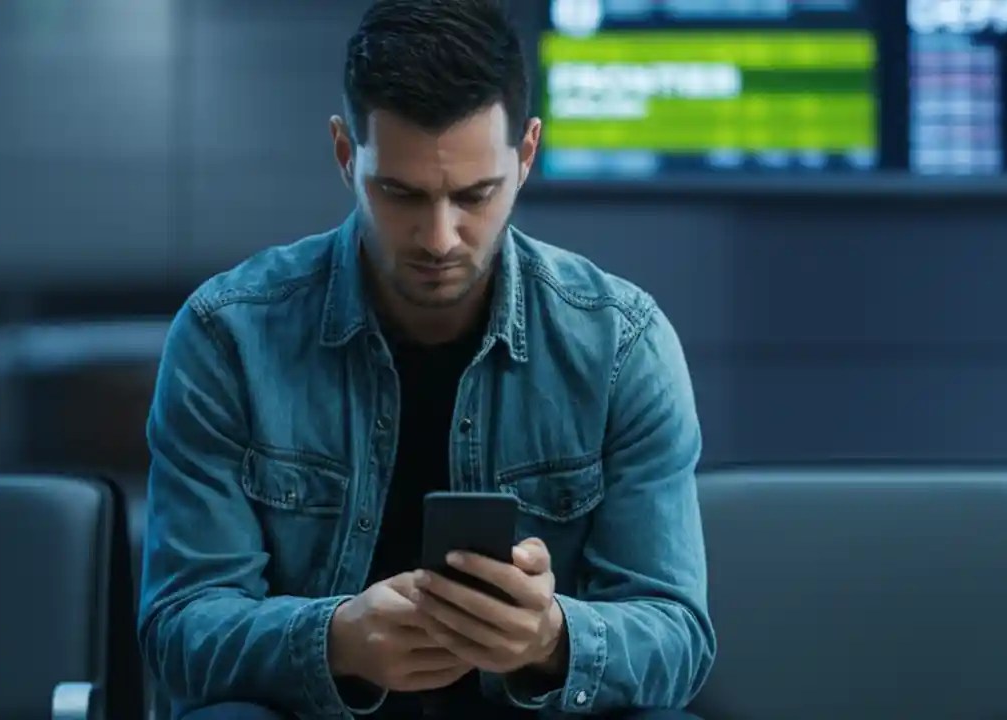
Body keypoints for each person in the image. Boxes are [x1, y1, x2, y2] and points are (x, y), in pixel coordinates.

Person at [136, 0, 715, 718]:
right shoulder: (229, 337)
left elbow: (678, 634)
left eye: (475, 194)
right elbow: (180, 628)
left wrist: (553, 638)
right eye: (401, 193)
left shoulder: (621, 344)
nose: (440, 238)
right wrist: (335, 641)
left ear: (526, 154)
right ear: (347, 154)